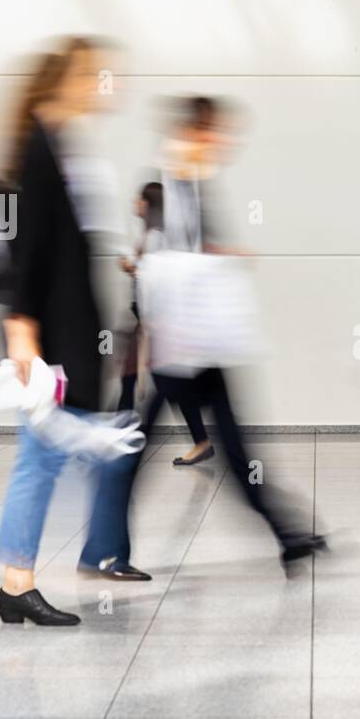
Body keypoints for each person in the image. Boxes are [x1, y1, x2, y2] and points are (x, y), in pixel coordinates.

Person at [0, 36, 150, 629]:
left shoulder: (61, 141)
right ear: (69, 79)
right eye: (97, 74)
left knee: (56, 456)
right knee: (42, 460)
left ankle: (65, 566)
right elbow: (28, 244)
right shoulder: (41, 143)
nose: (106, 84)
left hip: (68, 330)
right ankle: (23, 584)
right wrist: (22, 331)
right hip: (50, 333)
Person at [141, 95, 325, 567]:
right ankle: (102, 545)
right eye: (217, 132)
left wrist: (222, 254)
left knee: (231, 446)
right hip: (180, 340)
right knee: (138, 444)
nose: (225, 142)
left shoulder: (192, 180)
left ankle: (287, 534)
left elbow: (189, 248)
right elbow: (164, 253)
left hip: (197, 340)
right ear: (199, 131)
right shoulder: (177, 178)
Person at [116, 180, 214, 466]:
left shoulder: (158, 236)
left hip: (156, 323)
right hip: (148, 321)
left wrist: (134, 270)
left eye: (139, 199)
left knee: (157, 384)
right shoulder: (150, 234)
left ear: (148, 204)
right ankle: (200, 440)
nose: (134, 202)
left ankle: (122, 441)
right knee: (138, 381)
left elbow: (158, 279)